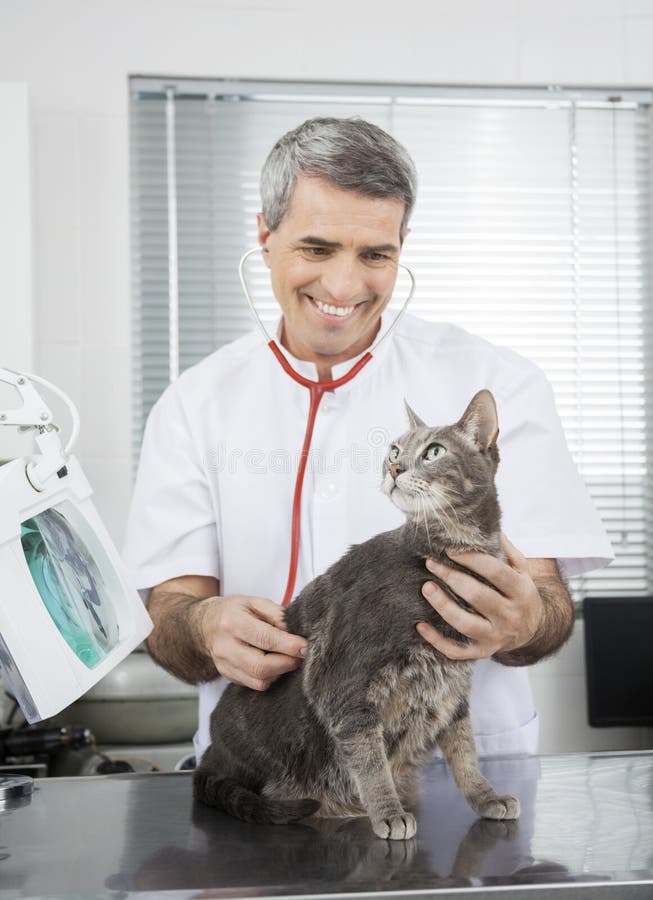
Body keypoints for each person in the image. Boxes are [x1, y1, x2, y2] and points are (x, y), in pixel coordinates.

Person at [123, 117, 613, 764]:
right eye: (316, 248)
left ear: (401, 247)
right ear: (265, 235)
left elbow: (547, 605)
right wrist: (201, 625)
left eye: (375, 255)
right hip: (270, 768)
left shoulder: (501, 383)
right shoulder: (193, 404)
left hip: (455, 781)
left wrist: (524, 620)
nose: (344, 287)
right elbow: (169, 613)